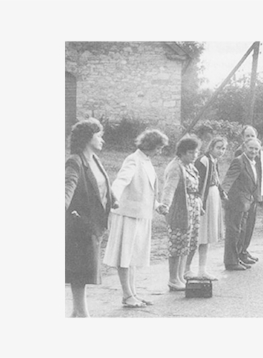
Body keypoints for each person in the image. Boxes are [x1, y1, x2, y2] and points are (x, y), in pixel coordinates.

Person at [104, 129, 168, 308]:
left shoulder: (146, 161)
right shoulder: (133, 159)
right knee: (125, 257)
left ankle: (133, 294)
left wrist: (157, 205)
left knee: (132, 258)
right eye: (159, 147)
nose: (160, 151)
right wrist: (113, 198)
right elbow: (121, 181)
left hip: (140, 215)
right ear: (150, 145)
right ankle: (127, 295)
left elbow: (146, 190)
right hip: (127, 215)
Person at [65, 118, 115, 317]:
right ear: (87, 138)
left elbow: (102, 185)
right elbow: (69, 183)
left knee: (85, 272)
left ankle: (78, 313)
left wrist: (115, 200)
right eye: (99, 135)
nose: (102, 139)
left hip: (94, 224)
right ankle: (82, 313)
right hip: (80, 224)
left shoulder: (94, 159)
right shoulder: (75, 160)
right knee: (80, 272)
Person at [158, 137, 203, 290]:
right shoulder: (175, 167)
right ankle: (173, 279)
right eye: (191, 152)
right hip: (180, 210)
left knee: (187, 244)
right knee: (177, 244)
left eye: (196, 152)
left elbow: (194, 188)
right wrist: (165, 205)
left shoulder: (189, 165)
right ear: (182, 152)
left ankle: (180, 276)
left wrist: (199, 205)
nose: (194, 155)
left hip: (192, 209)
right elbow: (169, 188)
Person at [188, 136, 227, 280]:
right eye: (218, 147)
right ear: (211, 147)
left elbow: (216, 180)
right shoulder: (204, 161)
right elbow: (199, 183)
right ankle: (187, 268)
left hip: (214, 196)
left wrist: (222, 192)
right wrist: (200, 203)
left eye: (223, 148)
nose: (221, 151)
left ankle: (202, 269)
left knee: (207, 236)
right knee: (199, 234)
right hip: (205, 199)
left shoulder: (214, 161)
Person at [222, 138, 262, 271]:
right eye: (251, 148)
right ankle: (231, 262)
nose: (253, 151)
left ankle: (237, 258)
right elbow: (228, 179)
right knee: (233, 232)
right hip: (235, 202)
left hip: (246, 202)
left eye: (256, 149)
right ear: (244, 147)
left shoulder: (253, 162)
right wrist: (222, 195)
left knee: (240, 232)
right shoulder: (238, 161)